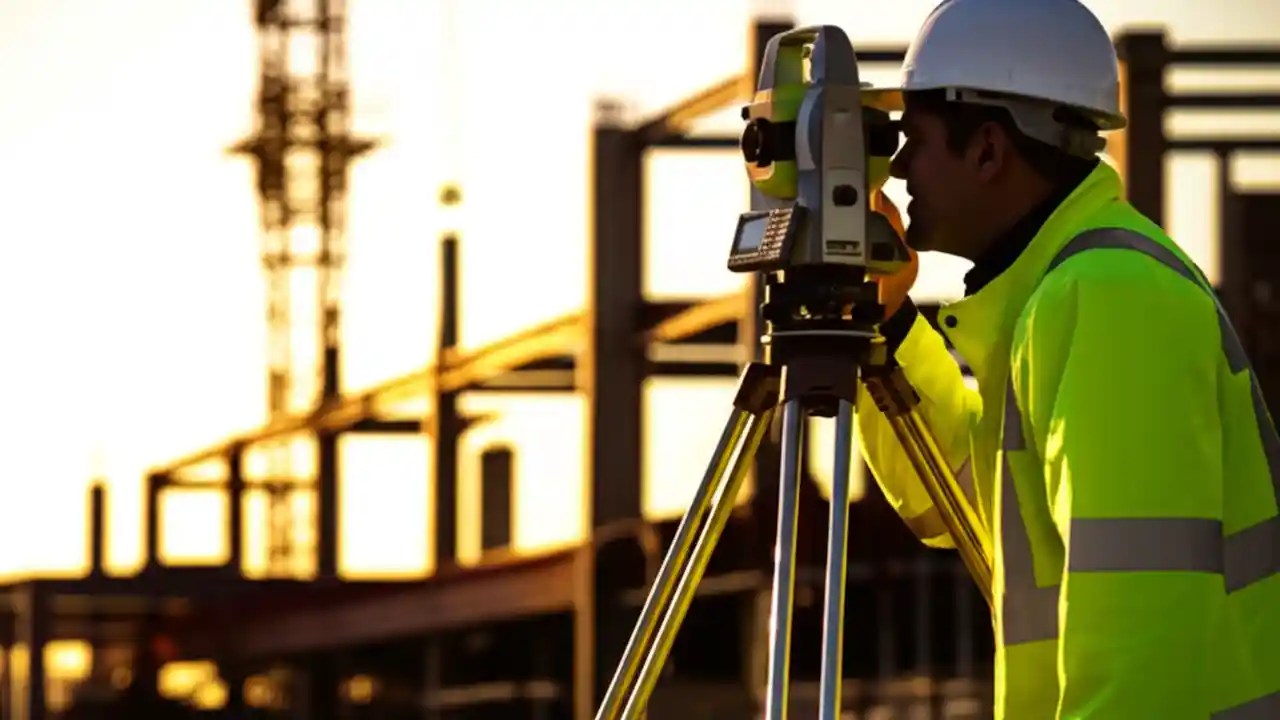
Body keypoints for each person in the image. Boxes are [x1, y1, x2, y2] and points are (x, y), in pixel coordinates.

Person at [855, 0, 1280, 717]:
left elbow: (1139, 650)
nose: (896, 169)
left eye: (914, 140)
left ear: (988, 150)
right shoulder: (1055, 298)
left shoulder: (1112, 298)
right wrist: (890, 322)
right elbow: (959, 502)